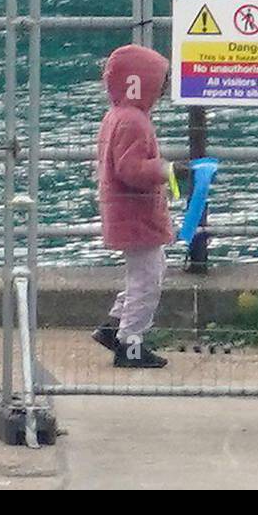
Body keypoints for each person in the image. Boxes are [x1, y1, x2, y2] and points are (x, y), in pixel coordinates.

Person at [90, 44, 180, 369]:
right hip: (137, 214)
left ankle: (114, 325)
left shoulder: (116, 116)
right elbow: (131, 170)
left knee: (145, 273)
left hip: (124, 213)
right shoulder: (134, 121)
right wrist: (167, 170)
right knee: (148, 279)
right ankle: (130, 342)